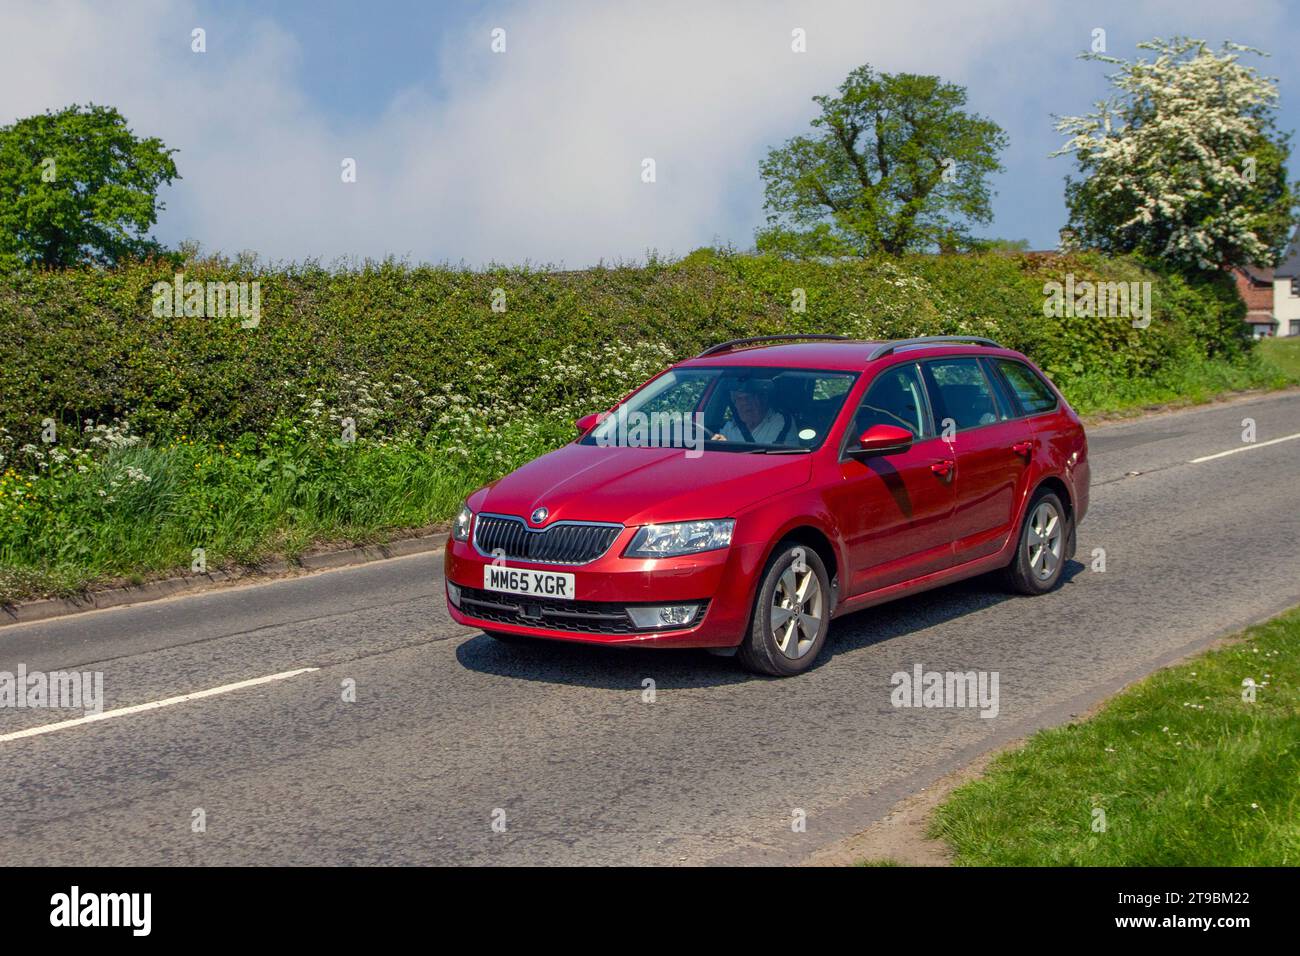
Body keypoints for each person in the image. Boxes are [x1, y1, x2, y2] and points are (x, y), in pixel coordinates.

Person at [713, 379, 792, 444]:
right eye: (739, 399)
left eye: (748, 397)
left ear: (763, 399)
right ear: (735, 404)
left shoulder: (781, 421)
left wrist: (728, 448)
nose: (744, 403)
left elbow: (771, 458)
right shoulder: (730, 426)